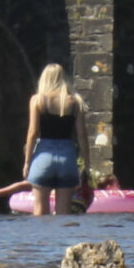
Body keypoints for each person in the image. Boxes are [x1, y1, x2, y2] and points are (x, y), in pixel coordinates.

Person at [22, 63, 85, 216]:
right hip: (67, 158)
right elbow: (82, 134)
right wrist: (87, 165)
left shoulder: (37, 100)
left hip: (43, 156)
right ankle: (62, 241)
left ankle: (42, 240)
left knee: (40, 213)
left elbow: (32, 132)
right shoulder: (75, 102)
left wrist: (27, 162)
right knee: (64, 215)